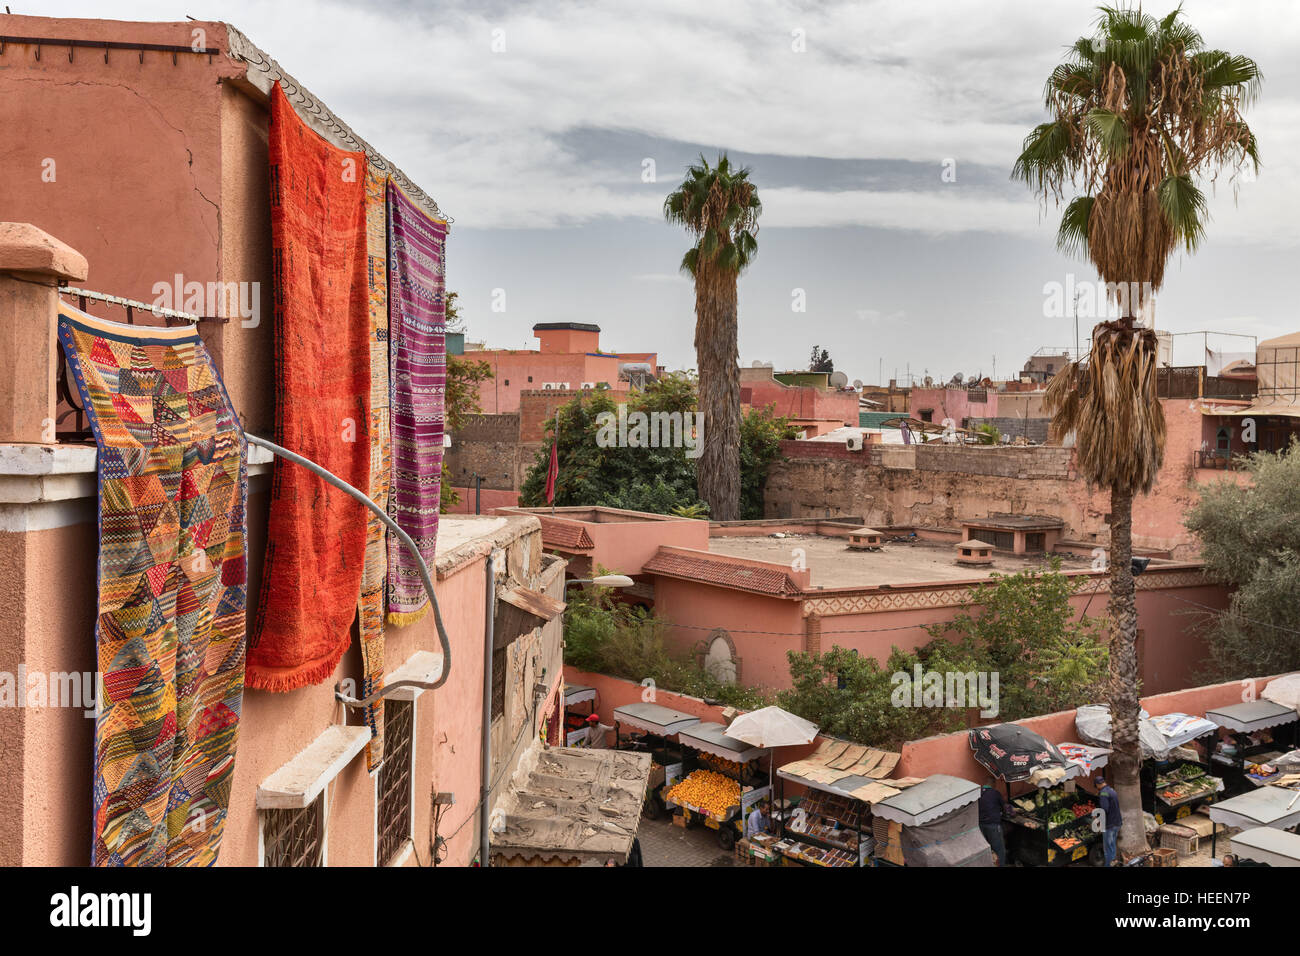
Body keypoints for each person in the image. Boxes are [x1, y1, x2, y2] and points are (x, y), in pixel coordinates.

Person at [978, 777, 1008, 866]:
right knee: (999, 849)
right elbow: (1005, 807)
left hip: (980, 825)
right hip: (993, 825)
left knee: (987, 849)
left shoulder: (978, 793)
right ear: (993, 784)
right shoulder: (995, 793)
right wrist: (1012, 811)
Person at [1095, 774, 1122, 867]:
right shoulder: (1111, 790)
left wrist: (1097, 818)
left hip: (1109, 824)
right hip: (1117, 823)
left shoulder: (1103, 793)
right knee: (1112, 846)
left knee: (1107, 849)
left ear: (1098, 785)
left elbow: (1104, 809)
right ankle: (1113, 864)